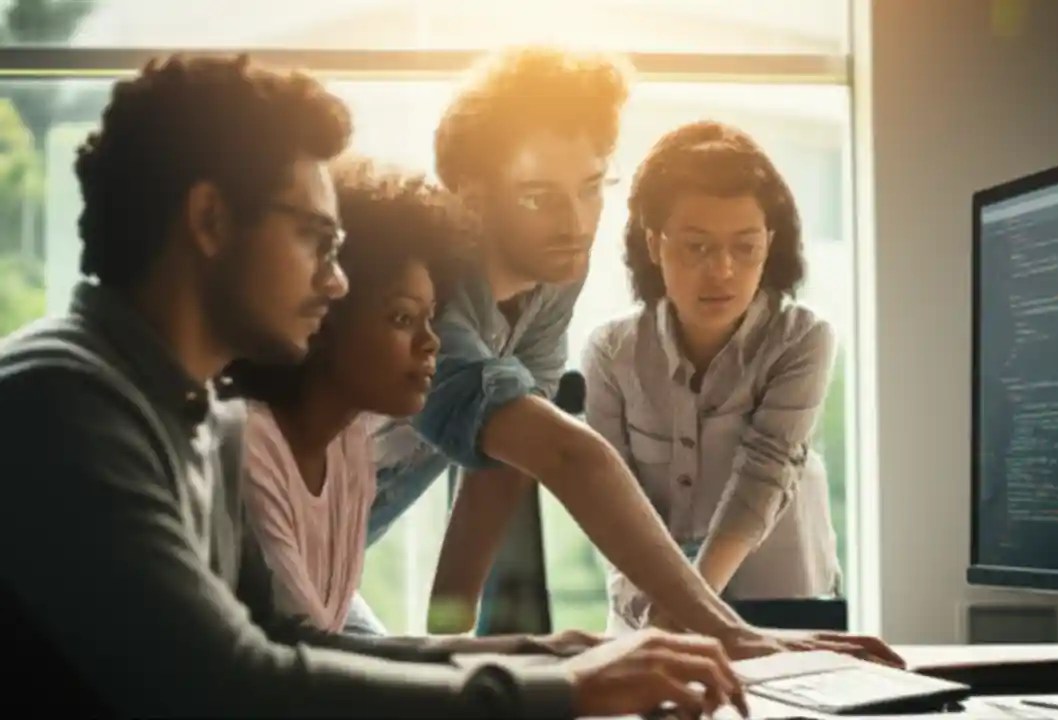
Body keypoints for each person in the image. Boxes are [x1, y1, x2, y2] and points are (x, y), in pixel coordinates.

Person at [0, 54, 749, 719]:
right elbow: (227, 683)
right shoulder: (62, 403)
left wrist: (544, 655)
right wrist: (565, 691)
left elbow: (289, 641)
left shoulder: (200, 420)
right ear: (211, 220)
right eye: (317, 240)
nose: (336, 282)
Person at [362, 44, 902, 666]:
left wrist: (449, 648)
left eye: (591, 188)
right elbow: (566, 454)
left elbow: (504, 463)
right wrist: (724, 628)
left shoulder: (553, 275)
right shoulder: (432, 299)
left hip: (330, 555)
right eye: (538, 196)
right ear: (474, 198)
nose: (575, 223)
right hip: (279, 549)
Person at [231, 157, 602, 656]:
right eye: (403, 318)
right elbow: (306, 656)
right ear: (327, 314)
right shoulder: (250, 448)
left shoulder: (348, 453)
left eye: (431, 318)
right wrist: (536, 658)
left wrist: (540, 655)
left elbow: (334, 642)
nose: (431, 343)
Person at [582, 121, 843, 632]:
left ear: (769, 244)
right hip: (648, 607)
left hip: (782, 605)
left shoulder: (802, 340)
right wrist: (660, 608)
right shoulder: (611, 353)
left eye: (744, 247)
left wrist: (688, 608)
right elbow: (605, 498)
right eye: (697, 247)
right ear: (655, 244)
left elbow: (764, 474)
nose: (722, 270)